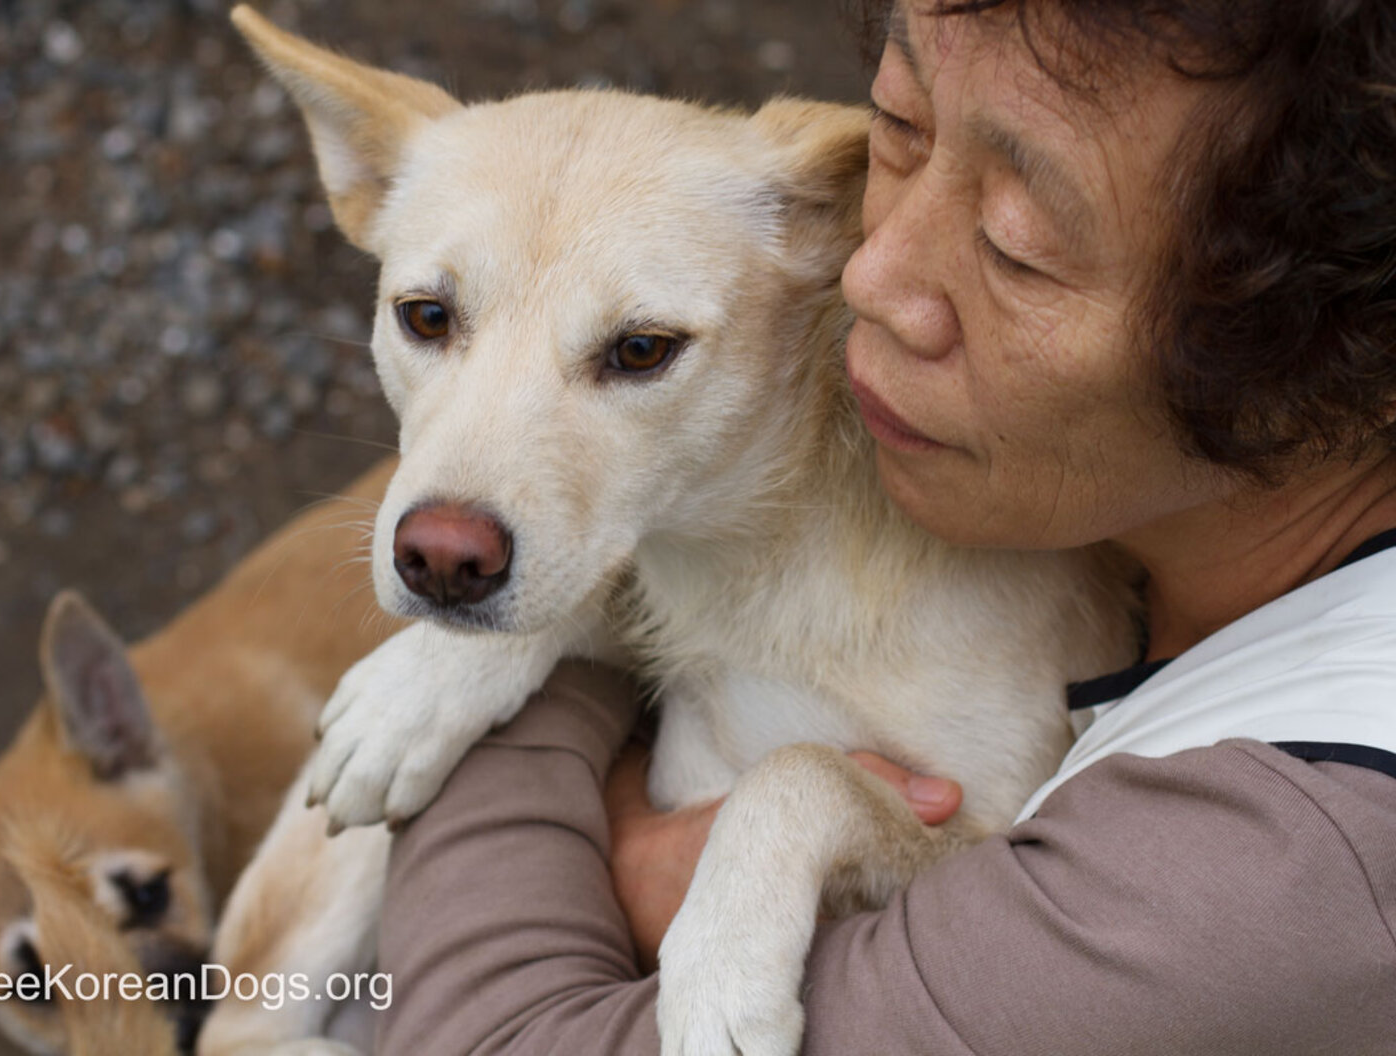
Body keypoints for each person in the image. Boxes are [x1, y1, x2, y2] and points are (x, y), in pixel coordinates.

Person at [370, 1, 1396, 1052]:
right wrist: (514, 630)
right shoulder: (1071, 498)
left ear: (1335, 344)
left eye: (1016, 246)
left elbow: (488, 1037)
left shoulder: (1281, 882)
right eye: (900, 133)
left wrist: (625, 837)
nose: (865, 274)